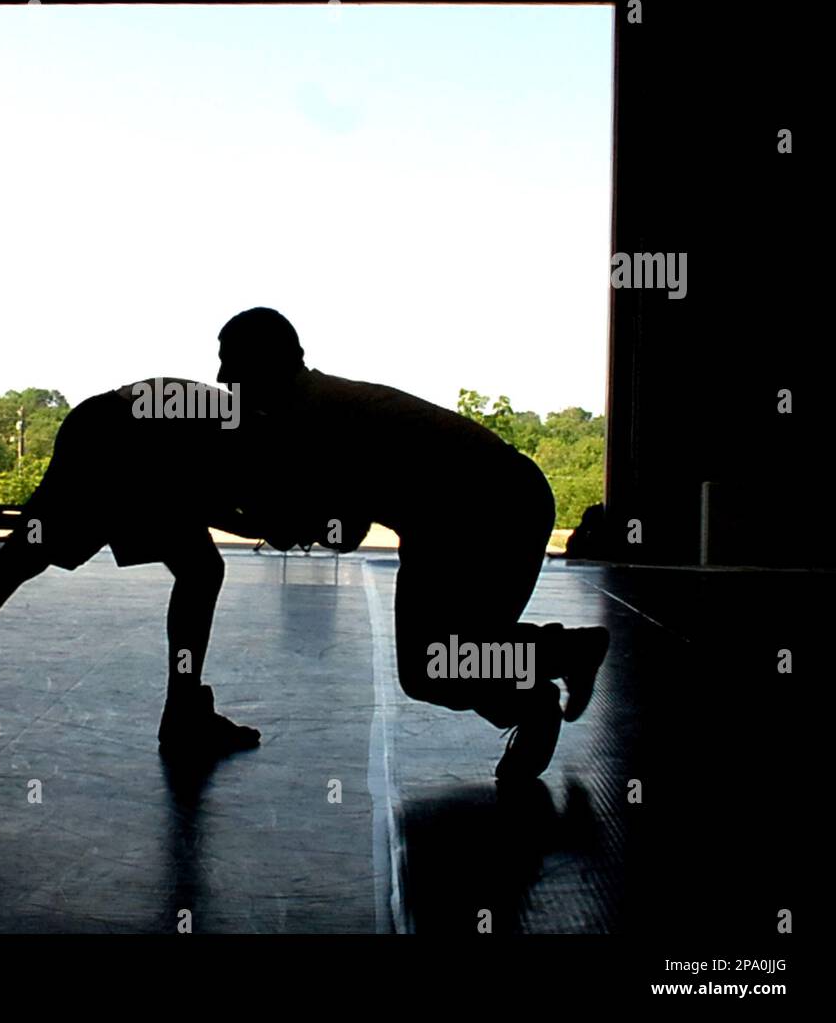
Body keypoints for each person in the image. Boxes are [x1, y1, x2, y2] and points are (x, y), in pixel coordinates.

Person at [215, 307, 610, 781]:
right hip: (487, 507)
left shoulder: (311, 419)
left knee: (432, 666)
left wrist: (275, 522)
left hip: (481, 513)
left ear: (264, 362)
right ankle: (552, 669)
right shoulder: (318, 403)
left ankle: (549, 677)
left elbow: (347, 529)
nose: (220, 376)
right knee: (437, 663)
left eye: (230, 361)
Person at [0, 377, 275, 758]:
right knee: (200, 569)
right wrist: (276, 527)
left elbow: (205, 500)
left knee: (23, 556)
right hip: (123, 438)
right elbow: (203, 503)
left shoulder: (234, 420)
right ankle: (183, 710)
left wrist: (270, 526)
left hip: (104, 426)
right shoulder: (248, 432)